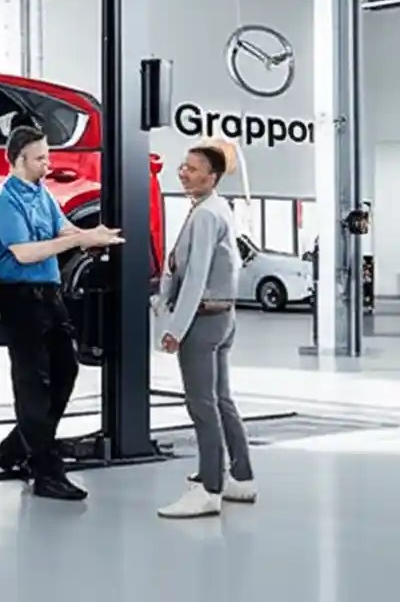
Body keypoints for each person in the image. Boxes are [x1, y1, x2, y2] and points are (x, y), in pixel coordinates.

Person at [0, 125, 125, 500]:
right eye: (41, 157)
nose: (48, 163)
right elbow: (24, 252)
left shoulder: (41, 192)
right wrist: (79, 240)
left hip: (49, 293)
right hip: (20, 297)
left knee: (67, 369)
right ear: (18, 160)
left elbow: (63, 228)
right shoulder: (3, 201)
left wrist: (91, 234)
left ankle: (15, 448)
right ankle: (46, 472)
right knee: (34, 383)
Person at [155, 141, 258, 519]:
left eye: (193, 169)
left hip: (202, 319)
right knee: (221, 399)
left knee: (202, 405)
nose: (184, 172)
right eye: (183, 166)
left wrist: (175, 328)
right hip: (222, 317)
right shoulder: (217, 208)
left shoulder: (205, 215)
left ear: (212, 177)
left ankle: (209, 488)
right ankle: (241, 478)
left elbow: (195, 275)